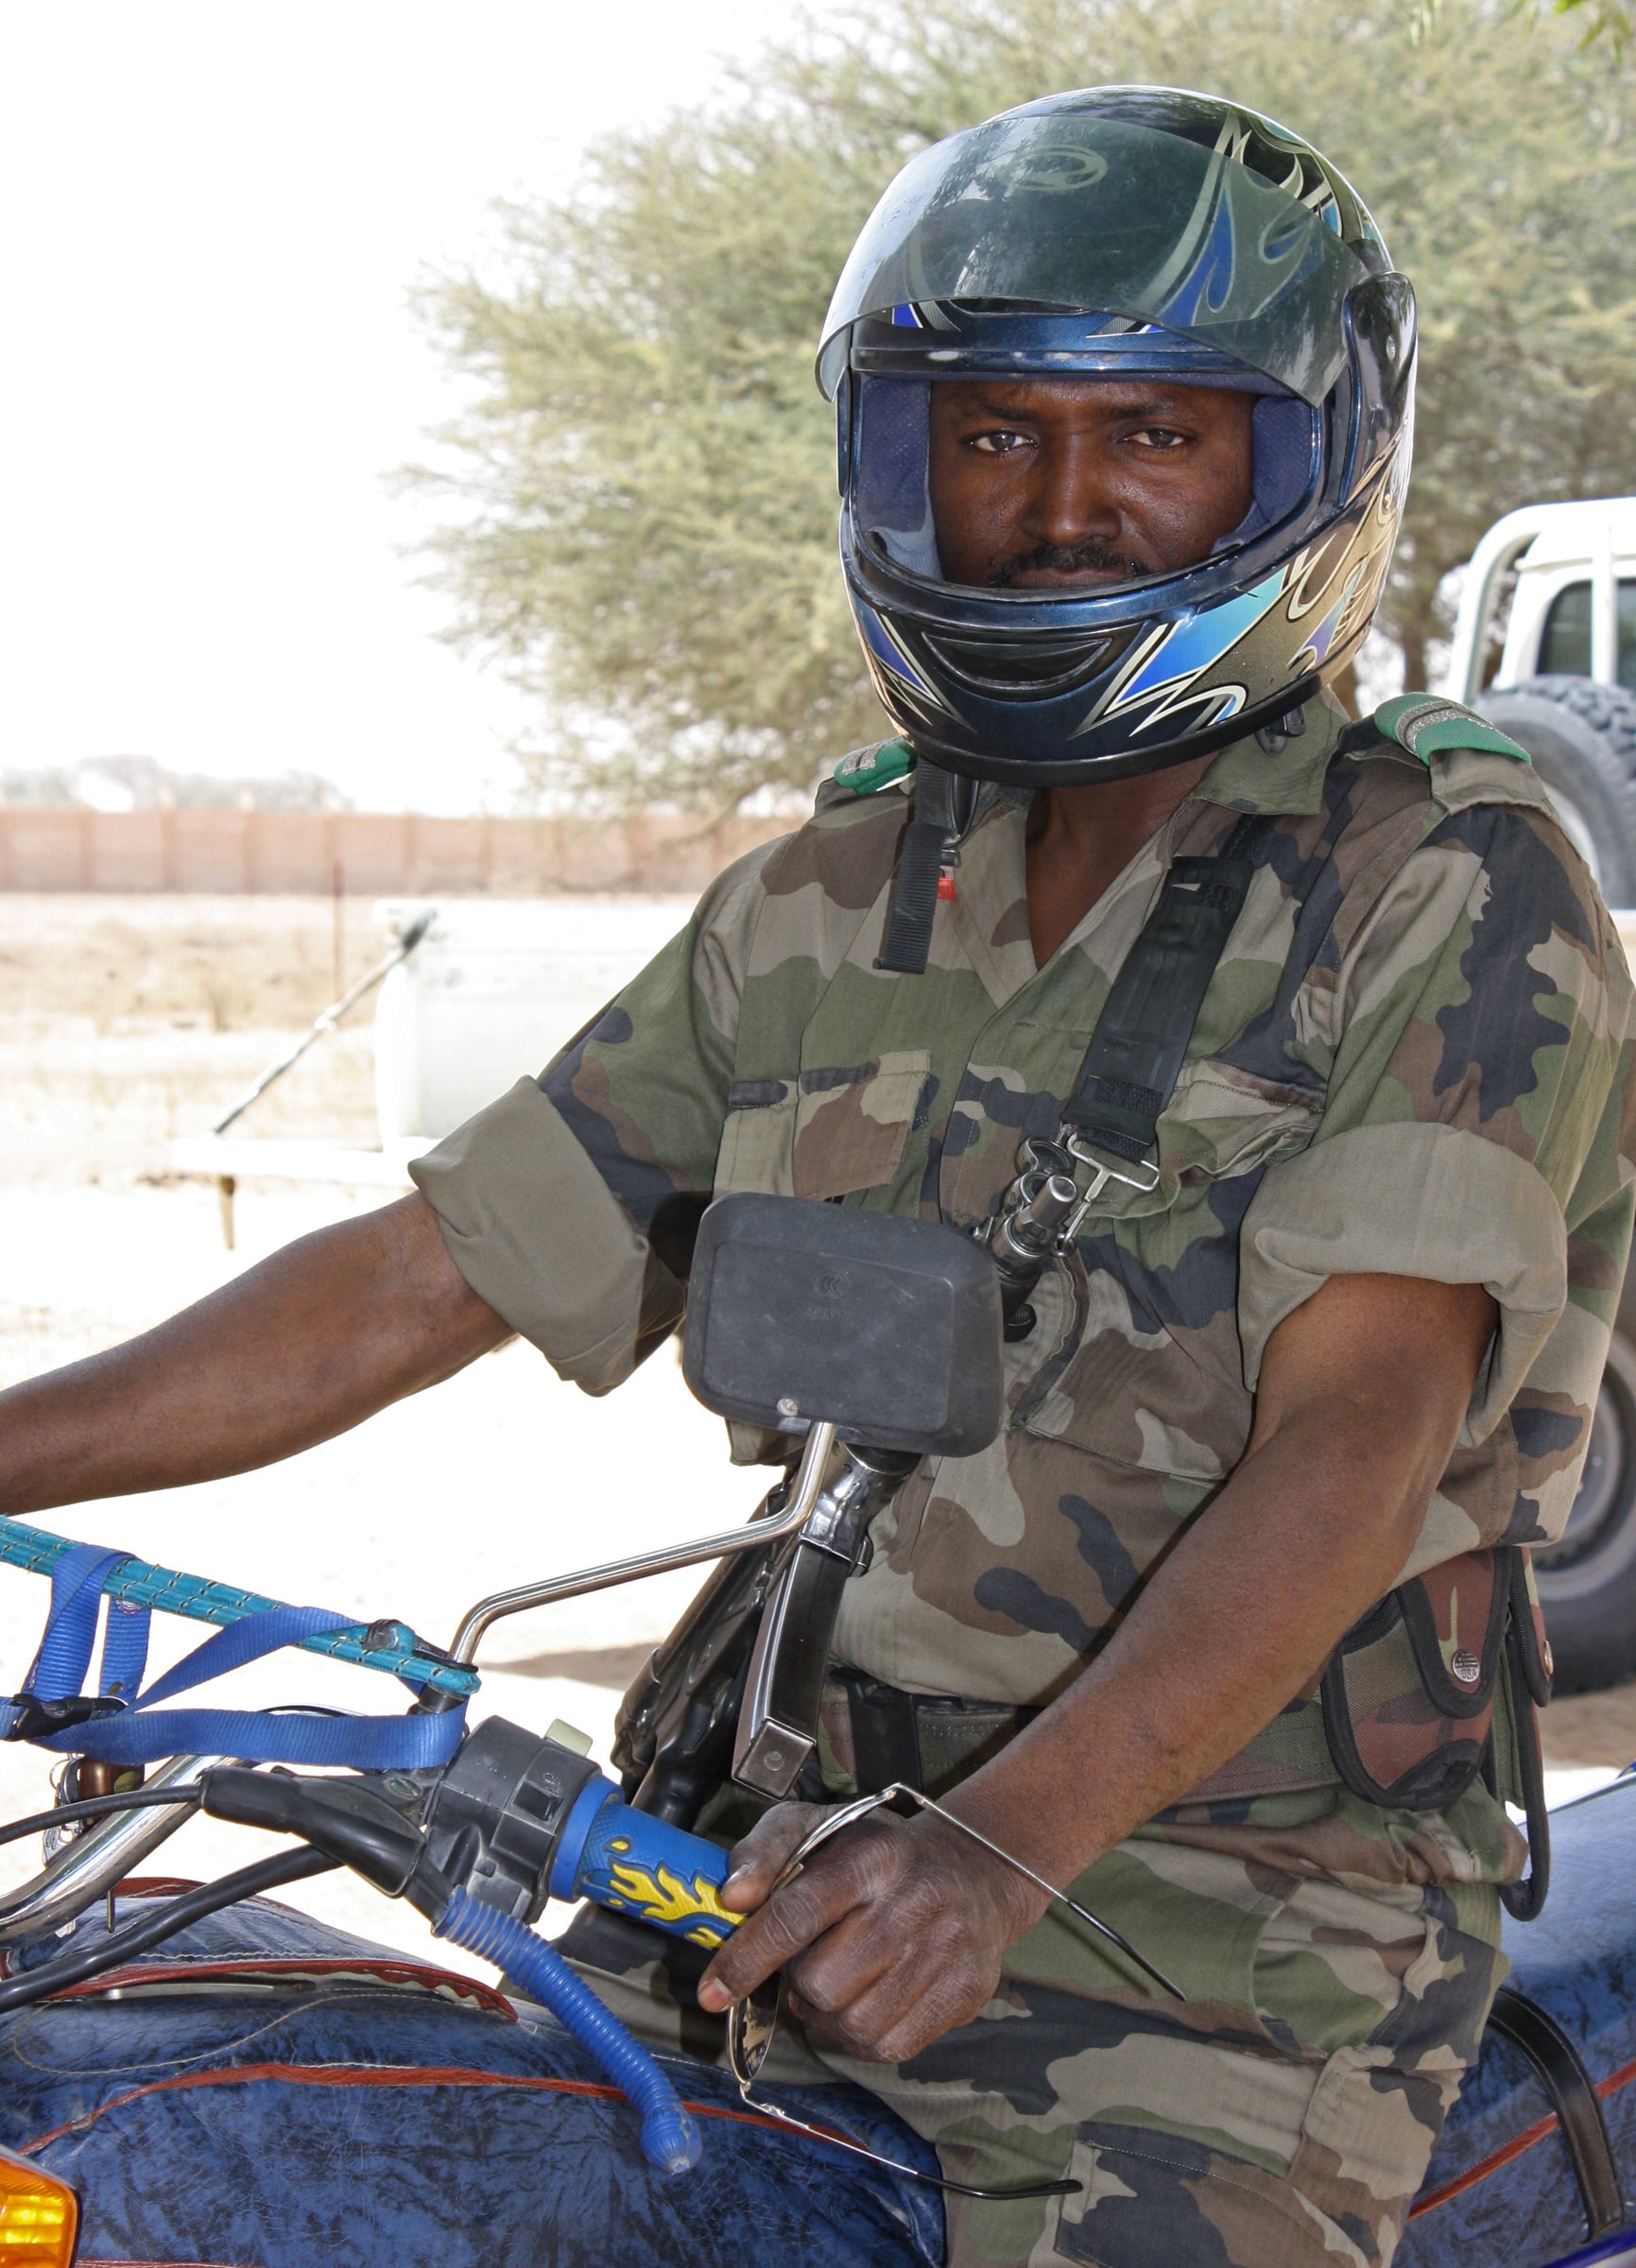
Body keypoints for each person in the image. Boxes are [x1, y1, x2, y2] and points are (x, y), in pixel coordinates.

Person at [2, 87, 1631, 2267]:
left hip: (1214, 1938)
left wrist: (1005, 1853)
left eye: (1150, 435)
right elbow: (426, 1276)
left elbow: (1359, 1432)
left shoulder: (1439, 876)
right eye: (988, 436)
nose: (1058, 506)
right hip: (772, 1867)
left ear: (1302, 462)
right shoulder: (833, 893)